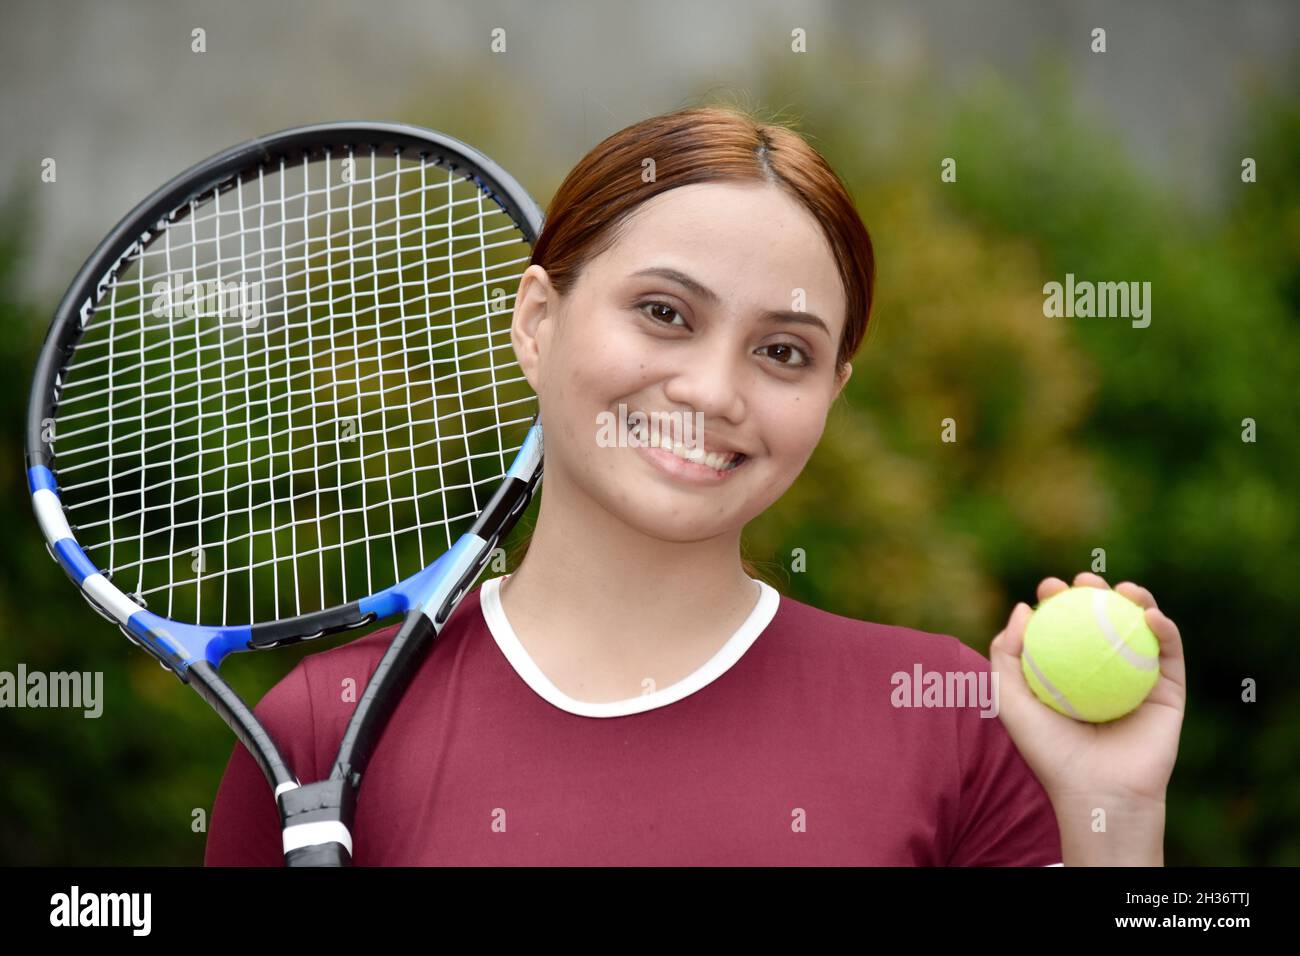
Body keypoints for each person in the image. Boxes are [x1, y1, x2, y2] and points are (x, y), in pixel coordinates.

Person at [205, 105, 1185, 866]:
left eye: (783, 351)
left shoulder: (948, 718)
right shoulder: (320, 732)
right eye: (665, 312)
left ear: (830, 393)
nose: (714, 391)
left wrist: (1114, 818)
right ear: (538, 321)